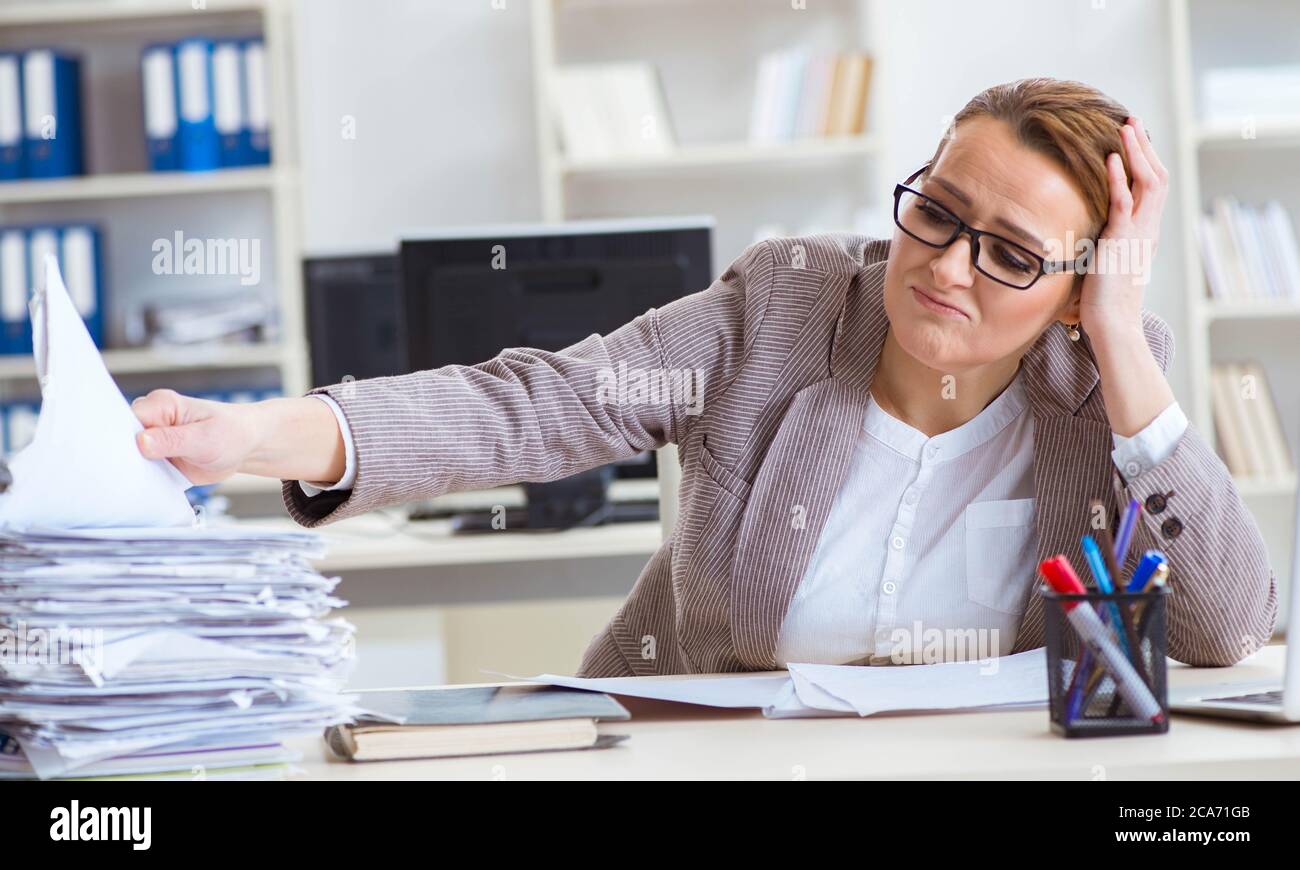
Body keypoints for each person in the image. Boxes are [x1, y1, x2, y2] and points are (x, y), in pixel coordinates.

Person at [132, 78, 1277, 678]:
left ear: (1077, 291)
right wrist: (255, 435)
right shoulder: (782, 309)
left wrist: (1121, 339)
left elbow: (1228, 630)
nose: (945, 267)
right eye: (936, 212)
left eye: (1013, 255)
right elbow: (534, 406)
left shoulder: (1107, 386)